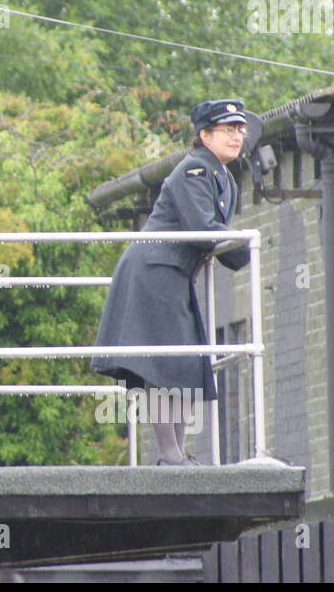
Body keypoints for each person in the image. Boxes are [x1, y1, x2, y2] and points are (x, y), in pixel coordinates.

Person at [92, 99, 253, 466]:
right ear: (205, 135)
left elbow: (212, 233)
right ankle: (170, 455)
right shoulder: (194, 170)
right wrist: (247, 247)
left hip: (173, 274)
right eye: (227, 130)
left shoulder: (221, 175)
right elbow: (203, 229)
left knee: (184, 362)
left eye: (239, 130)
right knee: (163, 362)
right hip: (155, 270)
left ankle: (176, 455)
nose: (236, 137)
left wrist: (241, 246)